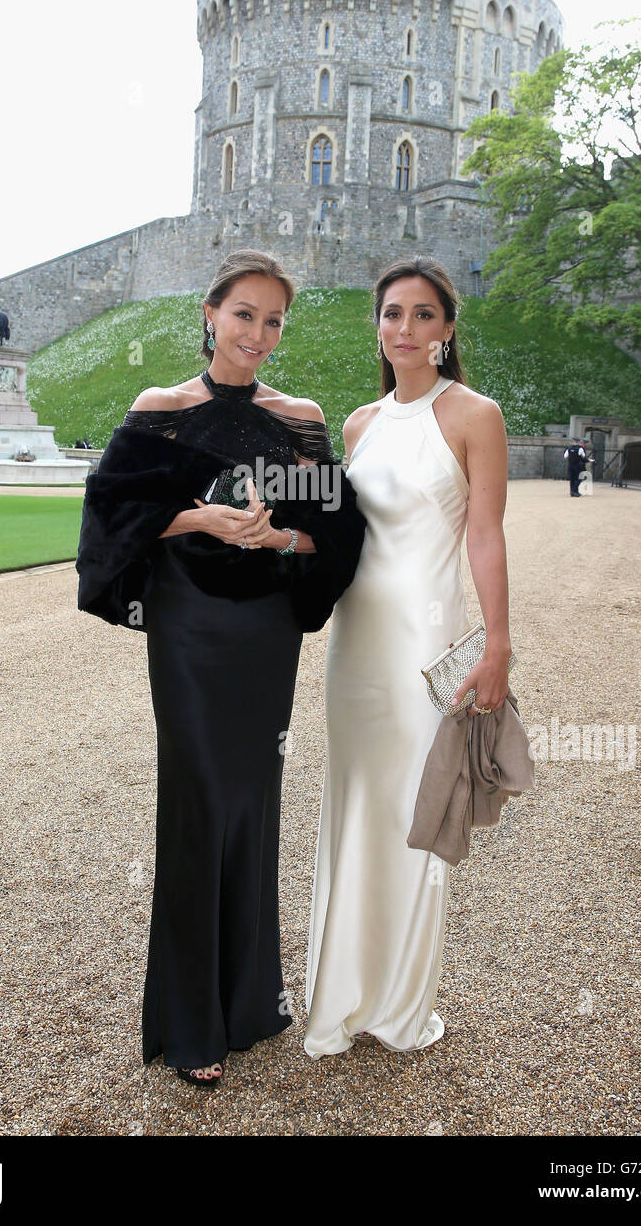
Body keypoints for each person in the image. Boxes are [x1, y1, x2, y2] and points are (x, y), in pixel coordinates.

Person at [75, 249, 366, 1088]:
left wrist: (277, 535)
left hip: (268, 629)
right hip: (190, 627)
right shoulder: (160, 410)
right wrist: (203, 516)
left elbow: (339, 537)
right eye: (245, 314)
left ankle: (250, 1001)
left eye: (273, 320)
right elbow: (113, 520)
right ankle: (193, 1023)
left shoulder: (303, 418)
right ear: (211, 314)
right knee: (200, 797)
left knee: (254, 798)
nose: (258, 334)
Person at [304, 257, 512, 1059]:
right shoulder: (357, 424)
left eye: (424, 315)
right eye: (393, 314)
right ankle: (342, 995)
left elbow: (487, 535)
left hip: (426, 648)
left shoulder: (474, 415)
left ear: (448, 329)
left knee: (415, 814)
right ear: (379, 326)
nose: (406, 329)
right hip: (355, 644)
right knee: (355, 804)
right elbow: (340, 538)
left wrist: (497, 645)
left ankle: (398, 1005)